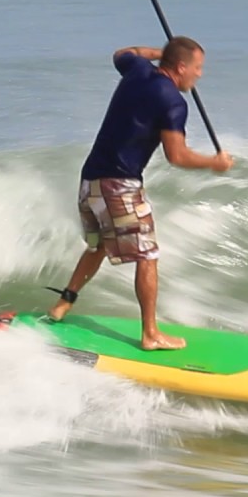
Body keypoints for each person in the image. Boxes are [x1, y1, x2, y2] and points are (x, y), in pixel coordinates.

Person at [46, 36, 234, 350]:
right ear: (181, 66)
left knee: (99, 247)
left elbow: (124, 52)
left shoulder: (137, 70)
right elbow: (177, 156)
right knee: (147, 256)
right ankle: (150, 334)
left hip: (90, 181)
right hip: (119, 185)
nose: (199, 75)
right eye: (197, 68)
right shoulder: (173, 101)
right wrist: (213, 163)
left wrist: (162, 53)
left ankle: (63, 304)